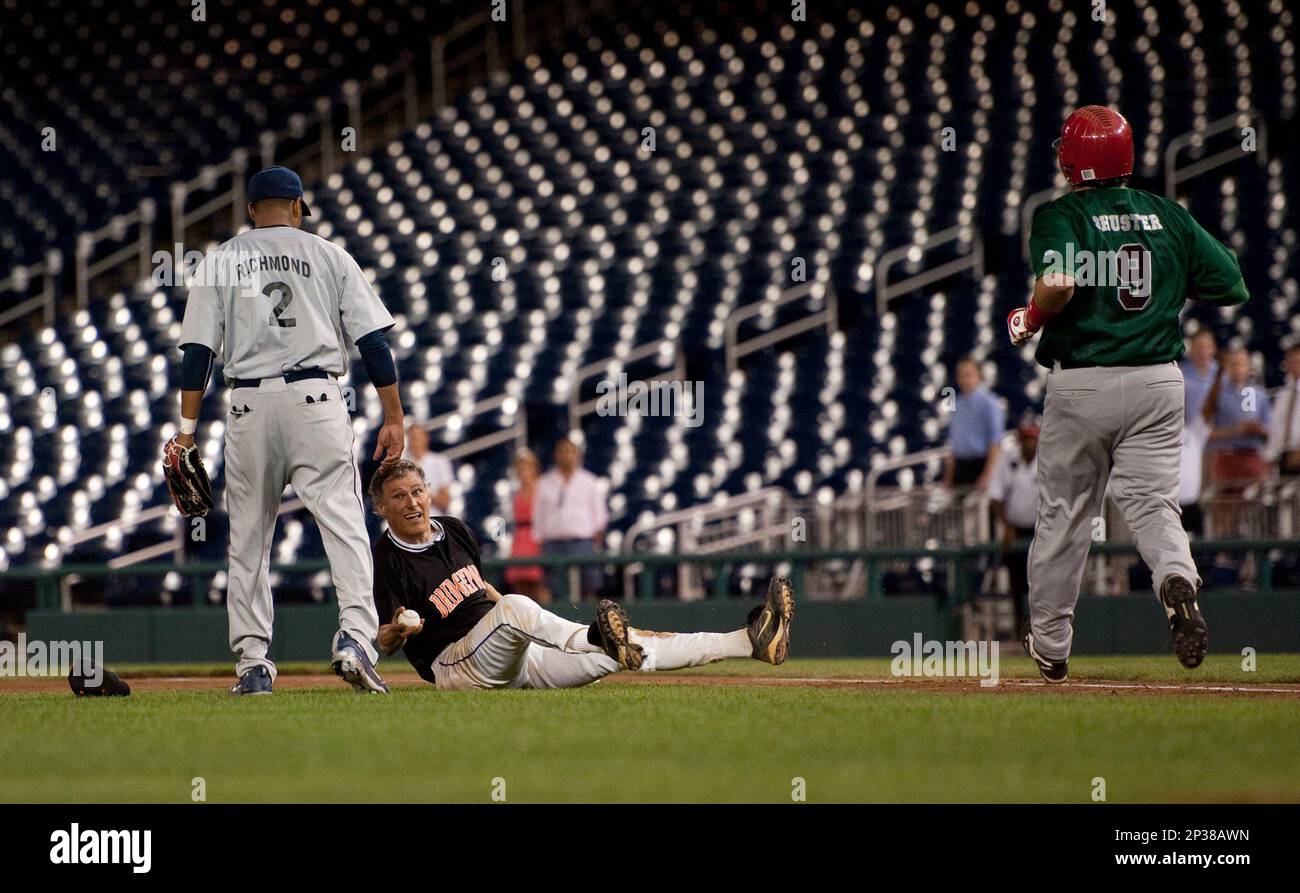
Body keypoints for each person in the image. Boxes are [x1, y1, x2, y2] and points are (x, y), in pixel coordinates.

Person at [1009, 106, 1249, 681]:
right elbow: (1231, 282)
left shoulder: (1060, 214)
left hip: (1084, 380)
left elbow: (1061, 281)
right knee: (1152, 504)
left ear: (1073, 159)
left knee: (1066, 515)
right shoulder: (1168, 213)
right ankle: (1175, 577)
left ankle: (1051, 644)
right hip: (1158, 380)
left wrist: (1032, 316)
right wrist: (1163, 286)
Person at [175, 165, 402, 696]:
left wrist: (186, 433)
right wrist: (393, 417)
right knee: (343, 525)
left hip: (248, 405)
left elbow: (198, 355)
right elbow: (374, 344)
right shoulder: (329, 255)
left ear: (251, 210)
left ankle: (254, 664)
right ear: (298, 206)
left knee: (249, 538)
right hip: (316, 399)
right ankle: (354, 640)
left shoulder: (221, 261)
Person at [367, 460, 795, 690]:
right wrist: (400, 631)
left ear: (428, 493)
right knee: (519, 606)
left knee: (629, 646)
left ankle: (748, 641)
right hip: (454, 665)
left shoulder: (455, 529)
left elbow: (482, 590)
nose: (411, 502)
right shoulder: (387, 556)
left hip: (513, 653)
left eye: (417, 491)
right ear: (381, 508)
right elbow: (385, 642)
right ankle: (593, 635)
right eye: (398, 496)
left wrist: (529, 625)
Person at [533, 437, 608, 600]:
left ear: (577, 455)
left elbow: (600, 515)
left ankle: (593, 620)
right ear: (556, 455)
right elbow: (538, 514)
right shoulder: (544, 483)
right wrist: (539, 539)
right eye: (562, 451)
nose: (565, 456)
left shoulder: (589, 481)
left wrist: (596, 539)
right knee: (552, 586)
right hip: (553, 542)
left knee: (590, 584)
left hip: (582, 541)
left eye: (569, 451)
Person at [988, 416, 1039, 634]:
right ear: (1019, 439)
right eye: (1025, 439)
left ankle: (1043, 629)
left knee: (1042, 582)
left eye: (1033, 439)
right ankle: (1021, 629)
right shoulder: (1008, 460)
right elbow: (995, 498)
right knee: (1017, 583)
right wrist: (1006, 526)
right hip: (1015, 529)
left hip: (1041, 529)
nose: (1029, 443)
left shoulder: (1048, 460)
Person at [942, 357, 1005, 491]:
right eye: (961, 375)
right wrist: (949, 476)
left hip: (980, 464)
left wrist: (987, 475)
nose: (965, 380)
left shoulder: (990, 403)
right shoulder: (956, 403)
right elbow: (955, 443)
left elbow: (995, 442)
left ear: (979, 376)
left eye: (969, 375)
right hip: (960, 466)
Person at [1177, 328, 1218, 533]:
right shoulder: (1179, 374)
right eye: (1198, 347)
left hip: (1217, 445)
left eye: (1206, 347)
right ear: (1190, 349)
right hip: (1186, 439)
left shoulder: (1222, 376)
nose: (1202, 352)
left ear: (1213, 349)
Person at [505, 448, 549, 603]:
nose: (523, 471)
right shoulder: (515, 492)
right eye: (520, 467)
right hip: (520, 539)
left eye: (527, 466)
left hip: (536, 539)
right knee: (520, 586)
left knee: (539, 584)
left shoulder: (542, 488)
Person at [1265, 344, 1300, 476]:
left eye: (1298, 361)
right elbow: (1276, 427)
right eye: (1291, 362)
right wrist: (1270, 455)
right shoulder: (1283, 395)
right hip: (1282, 459)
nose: (1294, 366)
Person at [405, 424, 454, 513]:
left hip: (435, 519)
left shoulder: (440, 462)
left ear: (426, 438)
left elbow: (444, 502)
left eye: (417, 438)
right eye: (412, 439)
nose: (415, 442)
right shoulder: (401, 466)